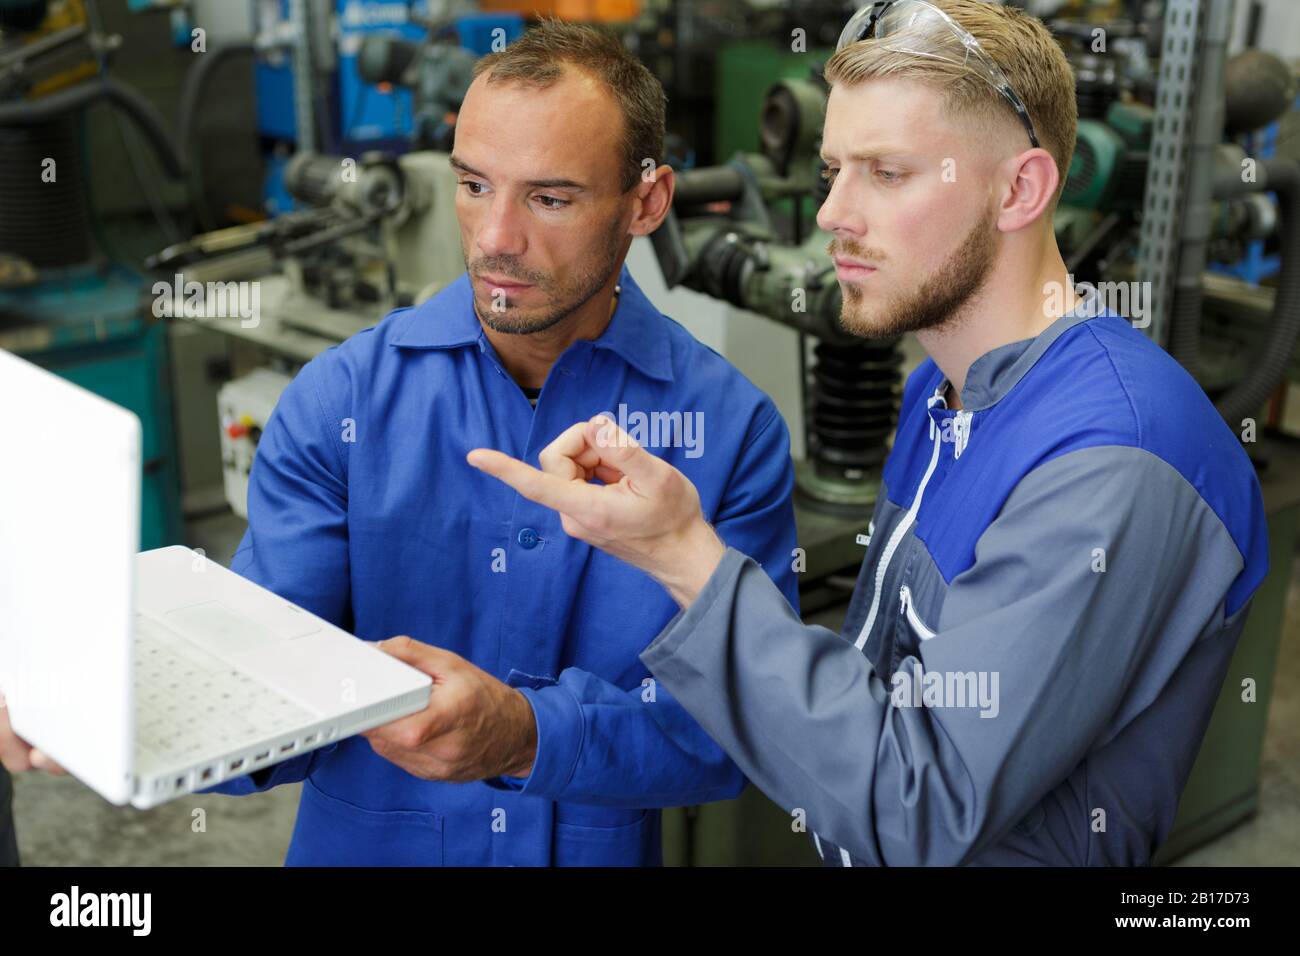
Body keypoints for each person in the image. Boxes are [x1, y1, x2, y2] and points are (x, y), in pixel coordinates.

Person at [468, 0, 1269, 866]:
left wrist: (682, 554)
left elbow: (918, 808)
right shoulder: (945, 390)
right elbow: (878, 695)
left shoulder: (1114, 462)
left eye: (887, 173)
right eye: (833, 170)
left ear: (1022, 189)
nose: (832, 214)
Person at [0, 19, 799, 867]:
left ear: (647, 202)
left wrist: (529, 736)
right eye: (474, 185)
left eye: (549, 197)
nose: (496, 237)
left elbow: (736, 733)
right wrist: (117, 713)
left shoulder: (728, 430)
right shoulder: (340, 402)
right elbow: (270, 698)